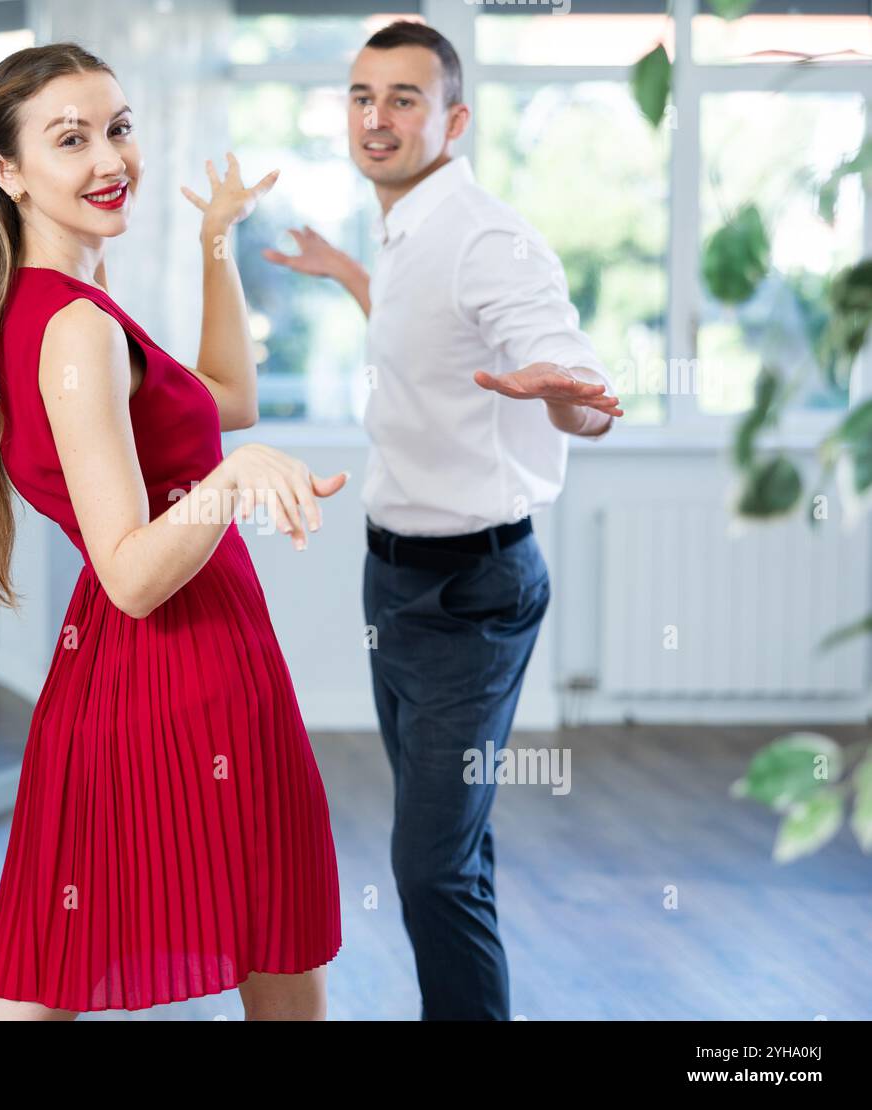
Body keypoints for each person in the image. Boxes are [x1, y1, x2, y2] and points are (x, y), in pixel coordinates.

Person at [0, 43, 346, 1020]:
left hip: (144, 667)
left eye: (119, 128)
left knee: (47, 963)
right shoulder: (74, 328)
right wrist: (227, 485)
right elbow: (132, 574)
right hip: (176, 664)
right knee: (264, 930)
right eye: (71, 139)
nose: (109, 159)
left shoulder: (60, 311)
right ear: (6, 170)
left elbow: (228, 399)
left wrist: (216, 242)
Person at [265, 20, 623, 1020]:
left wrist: (566, 397)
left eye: (404, 98)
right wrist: (346, 273)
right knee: (453, 850)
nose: (375, 117)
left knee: (428, 866)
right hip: (393, 582)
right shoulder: (406, 232)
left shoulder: (486, 238)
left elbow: (576, 381)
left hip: (470, 592)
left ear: (454, 121)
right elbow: (418, 323)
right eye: (362, 96)